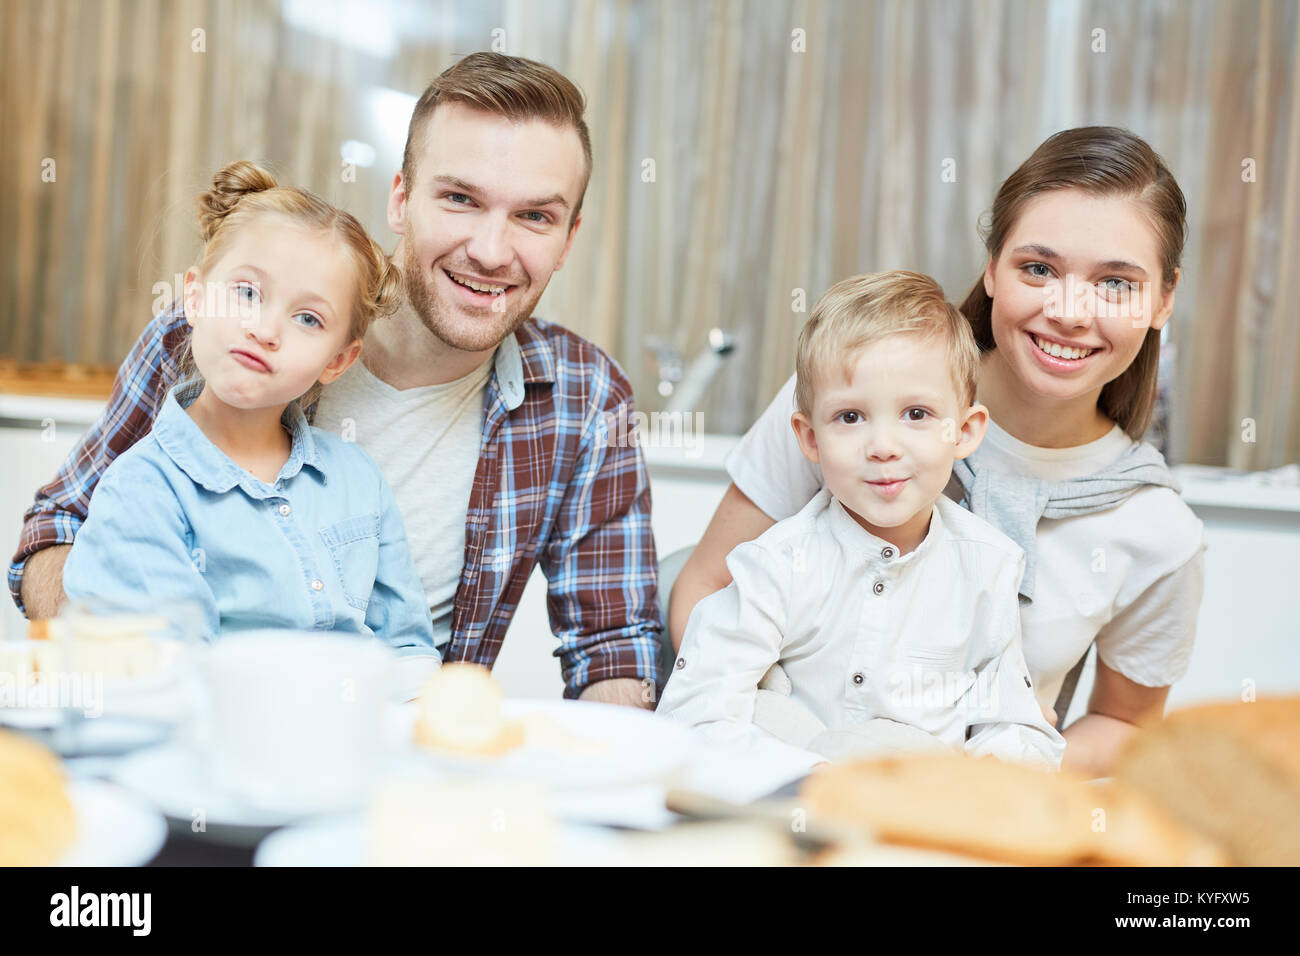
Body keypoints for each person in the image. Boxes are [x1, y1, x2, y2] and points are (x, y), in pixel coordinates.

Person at [11, 53, 661, 705]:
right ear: (402, 197)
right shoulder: (216, 340)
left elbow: (614, 649)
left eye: (535, 217)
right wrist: (142, 663)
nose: (491, 251)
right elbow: (56, 533)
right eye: (460, 198)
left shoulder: (586, 398)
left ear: (569, 239)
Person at [669, 127, 1204, 775]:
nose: (1069, 311)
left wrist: (962, 776)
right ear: (992, 268)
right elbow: (708, 587)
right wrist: (791, 747)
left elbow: (1124, 725)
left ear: (1164, 299)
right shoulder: (852, 394)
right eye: (1038, 268)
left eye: (1115, 282)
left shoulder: (1157, 530)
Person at [657, 272, 1064, 776]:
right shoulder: (773, 566)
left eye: (916, 413)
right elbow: (695, 714)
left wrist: (971, 780)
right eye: (850, 417)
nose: (883, 445)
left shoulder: (990, 569)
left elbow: (1015, 727)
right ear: (809, 437)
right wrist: (810, 773)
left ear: (963, 432)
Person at [60, 160, 437, 673]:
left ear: (338, 361)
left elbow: (409, 655)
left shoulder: (359, 481)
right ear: (193, 297)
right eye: (247, 292)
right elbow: (174, 675)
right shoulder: (142, 491)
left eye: (308, 318)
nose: (266, 329)